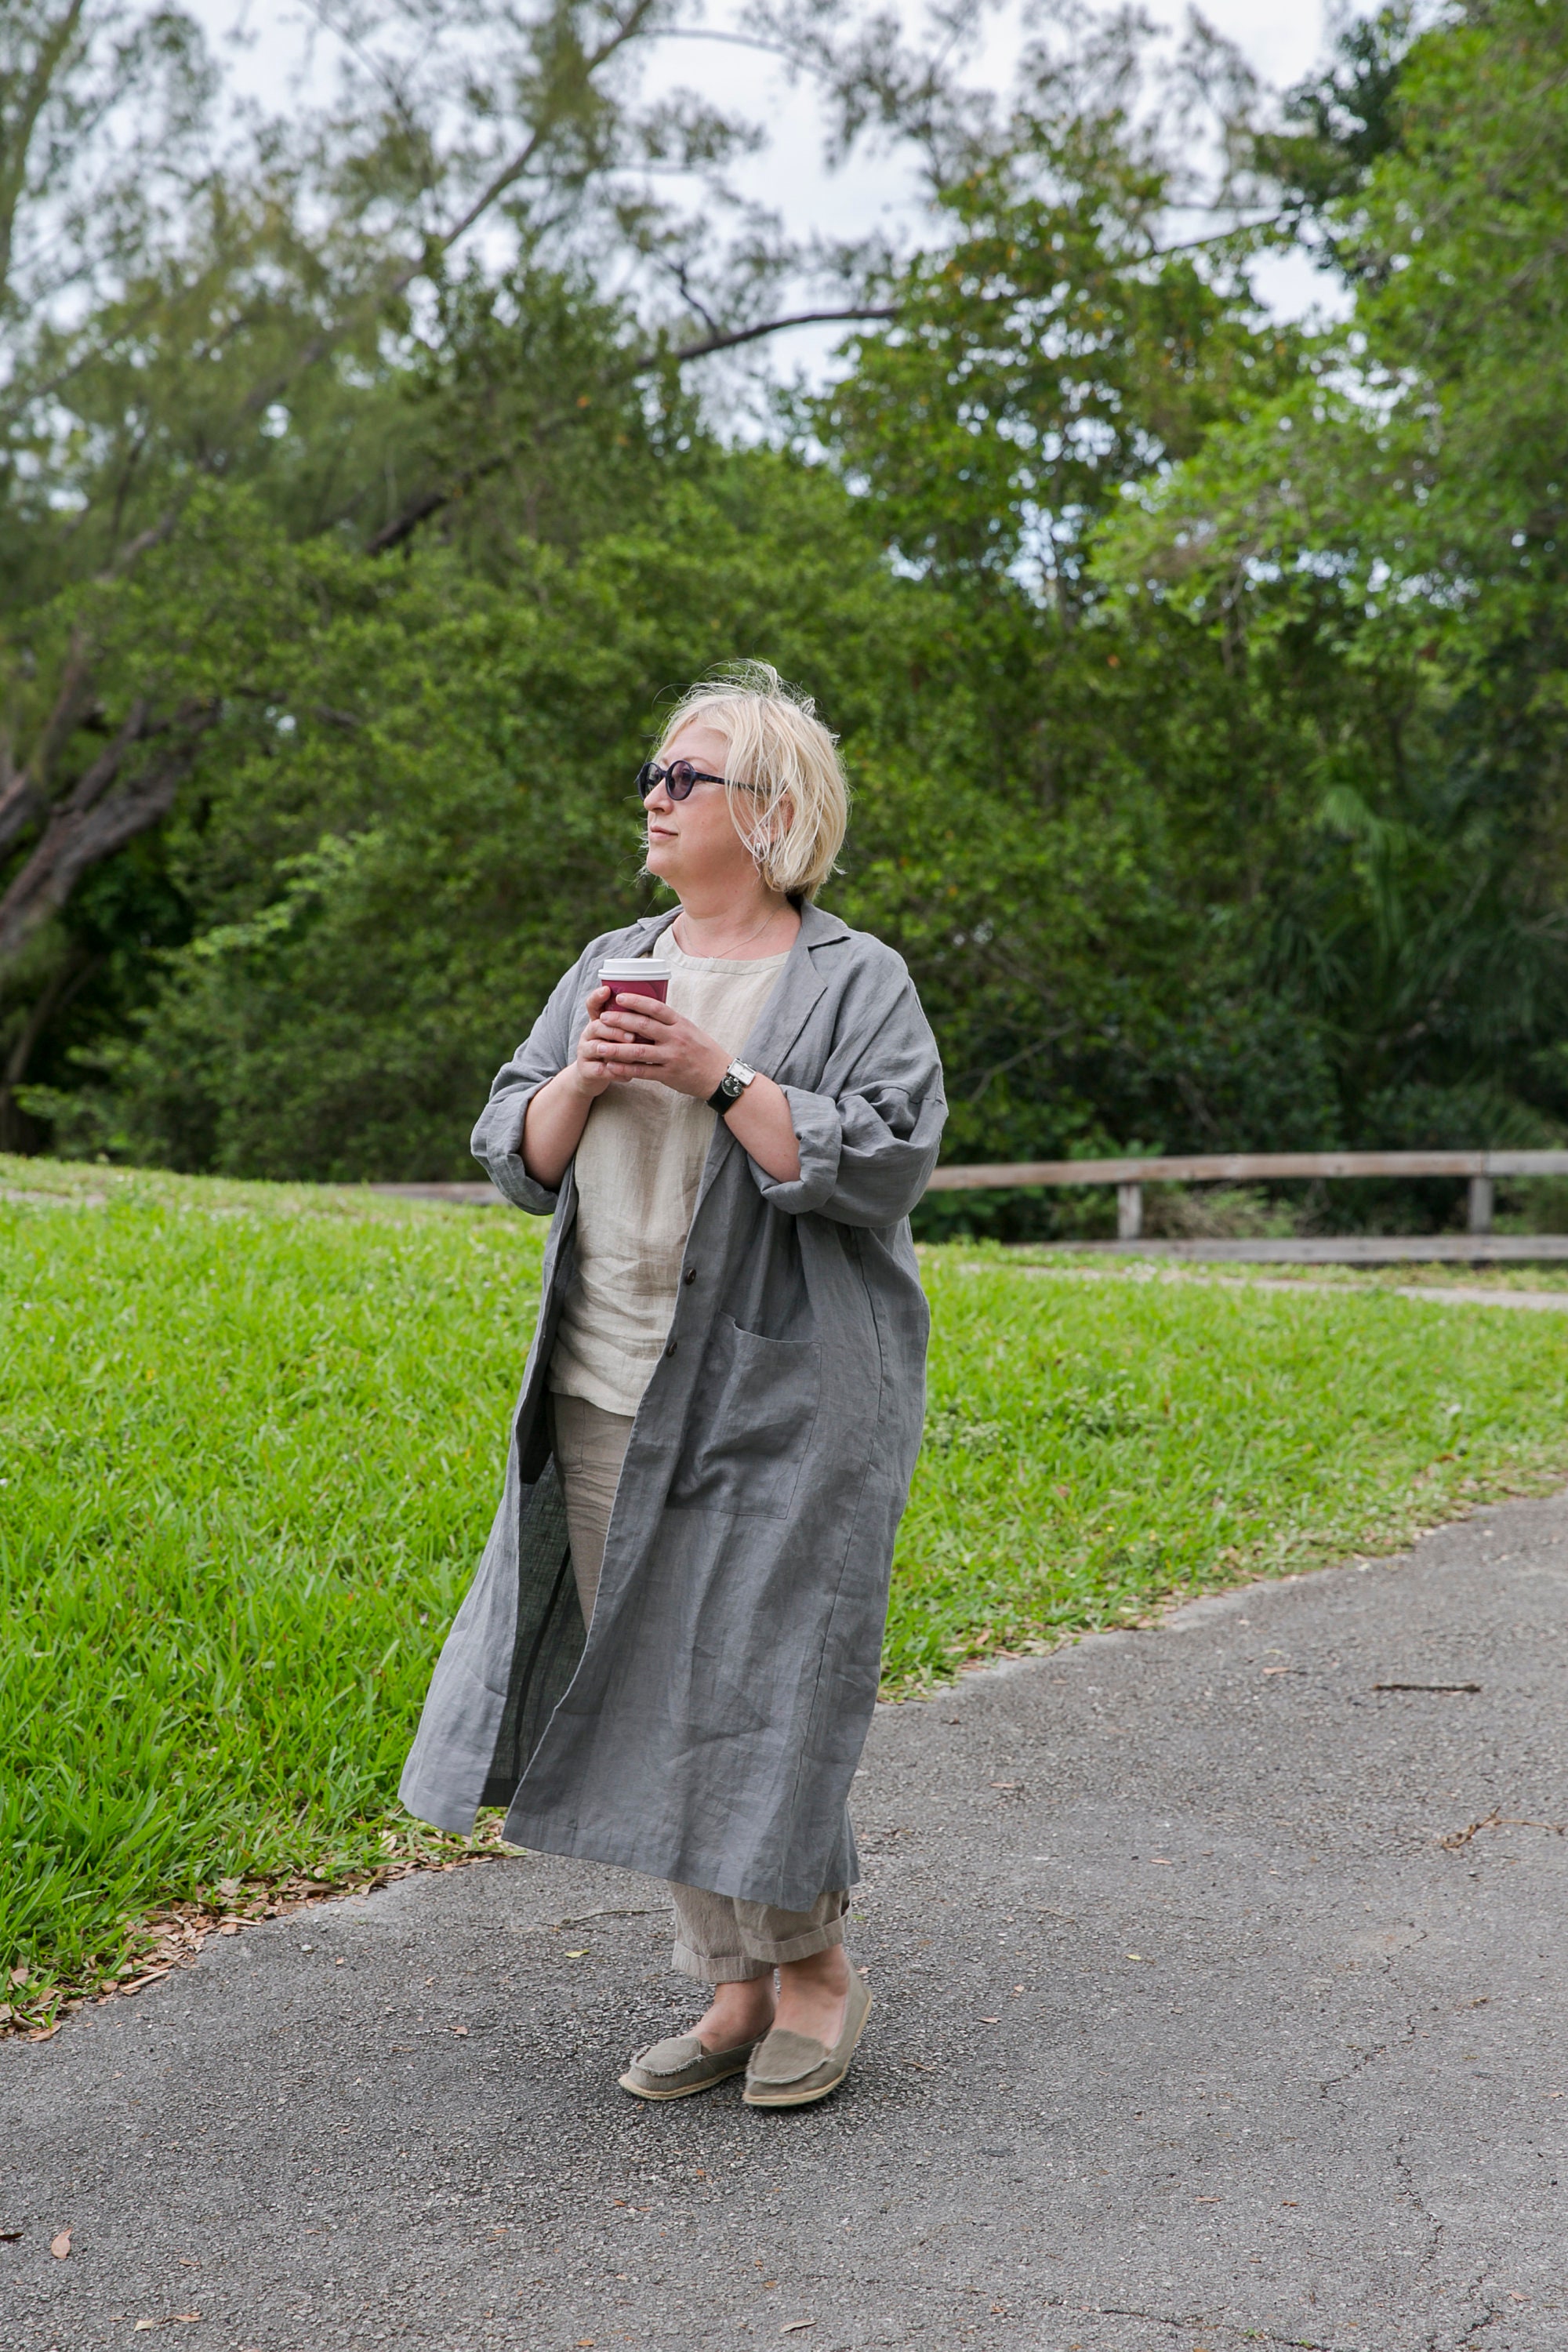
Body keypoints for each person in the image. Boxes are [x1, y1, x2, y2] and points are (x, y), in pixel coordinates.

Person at [400, 662, 946, 2108]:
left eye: (683, 778)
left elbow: (885, 1160)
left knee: (759, 1688)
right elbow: (510, 1149)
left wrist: (714, 1071)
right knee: (650, 1685)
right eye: (652, 773)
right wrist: (580, 1079)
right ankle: (732, 1988)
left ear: (769, 813)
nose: (653, 795)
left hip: (782, 1397)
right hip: (603, 1382)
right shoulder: (605, 959)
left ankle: (817, 1975)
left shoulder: (853, 980)